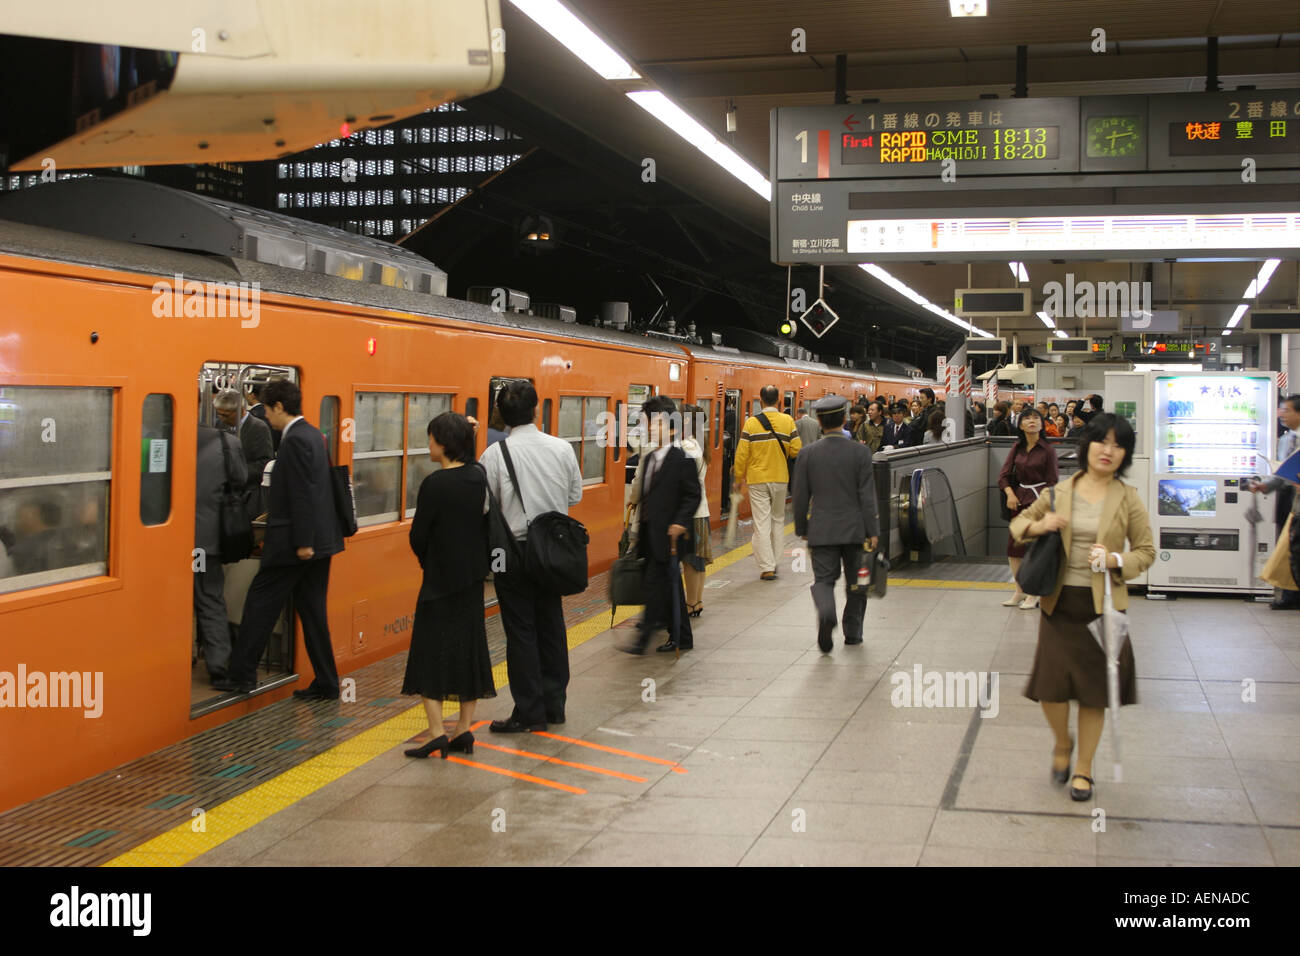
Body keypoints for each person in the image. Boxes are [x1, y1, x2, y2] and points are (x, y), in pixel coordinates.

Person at [1010, 413, 1154, 802]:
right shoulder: (1059, 492)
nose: (1108, 450)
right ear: (1086, 445)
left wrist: (1115, 560)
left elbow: (1146, 552)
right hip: (1059, 604)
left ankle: (1085, 770)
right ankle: (1062, 742)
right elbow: (1017, 525)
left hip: (1104, 607)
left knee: (1094, 693)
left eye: (1118, 445)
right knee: (1052, 690)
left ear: (1125, 454)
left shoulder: (1129, 499)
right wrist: (1039, 526)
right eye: (1101, 441)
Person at [215, 381, 344, 698]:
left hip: (294, 545)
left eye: (268, 409)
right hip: (320, 542)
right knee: (313, 612)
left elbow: (301, 493)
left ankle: (242, 675)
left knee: (259, 602)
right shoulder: (313, 434)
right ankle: (327, 682)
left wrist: (302, 542)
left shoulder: (296, 440)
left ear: (278, 407)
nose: (266, 416)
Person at [479, 380, 583, 731]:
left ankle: (529, 712)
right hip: (553, 548)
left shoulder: (494, 455)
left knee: (521, 631)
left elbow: (483, 505)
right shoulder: (561, 448)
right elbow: (575, 495)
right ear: (536, 409)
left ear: (503, 415)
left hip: (513, 553)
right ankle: (555, 706)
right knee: (552, 624)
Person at [402, 412, 496, 759]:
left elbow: (418, 536)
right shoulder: (479, 477)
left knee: (431, 653)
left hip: (439, 582)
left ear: (442, 443)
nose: (428, 445)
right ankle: (463, 730)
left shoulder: (435, 484)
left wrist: (431, 562)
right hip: (472, 581)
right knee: (469, 650)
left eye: (431, 439)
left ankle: (438, 731)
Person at [792, 396, 880, 652]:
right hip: (855, 531)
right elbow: (867, 495)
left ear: (819, 422)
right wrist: (873, 530)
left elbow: (799, 496)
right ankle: (852, 632)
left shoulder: (807, 454)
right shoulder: (861, 452)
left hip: (821, 529)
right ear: (844, 420)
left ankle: (826, 613)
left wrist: (802, 528)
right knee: (857, 583)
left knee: (824, 580)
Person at [619, 396, 702, 654]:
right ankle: (682, 637)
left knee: (657, 585)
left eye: (655, 423)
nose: (649, 428)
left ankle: (644, 637)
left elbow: (692, 495)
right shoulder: (652, 457)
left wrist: (679, 522)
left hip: (669, 536)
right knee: (669, 587)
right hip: (650, 534)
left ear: (672, 428)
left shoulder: (683, 459)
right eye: (648, 423)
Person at [194, 424, 248, 685]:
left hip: (162, 541)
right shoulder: (227, 442)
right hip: (205, 541)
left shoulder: (155, 438)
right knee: (208, 596)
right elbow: (240, 479)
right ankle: (218, 665)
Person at [732, 385, 802, 581]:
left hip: (757, 479)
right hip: (780, 478)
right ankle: (774, 561)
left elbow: (741, 455)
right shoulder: (788, 420)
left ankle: (767, 567)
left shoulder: (751, 423)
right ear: (779, 401)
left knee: (761, 523)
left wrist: (738, 479)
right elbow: (797, 450)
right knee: (778, 520)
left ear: (760, 401)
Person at [999, 407, 1058, 611]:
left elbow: (1053, 481)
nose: (1032, 421)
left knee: (1035, 550)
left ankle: (1034, 593)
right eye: (1027, 418)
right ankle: (1020, 589)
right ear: (1021, 424)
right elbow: (1003, 475)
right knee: (1014, 549)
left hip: (1040, 502)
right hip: (1019, 501)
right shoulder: (1017, 447)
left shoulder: (1047, 450)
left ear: (1042, 424)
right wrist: (1010, 494)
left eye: (1036, 418)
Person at [1248, 394, 1300, 609]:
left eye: (1286, 410)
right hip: (1292, 502)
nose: (1281, 414)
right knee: (1291, 550)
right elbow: (1282, 472)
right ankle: (1291, 595)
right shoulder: (1287, 439)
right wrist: (1266, 486)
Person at [678, 402, 712, 619]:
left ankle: (691, 602)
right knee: (697, 561)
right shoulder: (697, 443)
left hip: (692, 512)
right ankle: (697, 601)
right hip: (701, 510)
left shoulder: (687, 447)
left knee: (691, 561)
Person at [215, 388, 273, 512]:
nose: (221, 419)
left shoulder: (259, 428)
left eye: (225, 415)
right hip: (225, 495)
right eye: (219, 414)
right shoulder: (220, 426)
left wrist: (236, 471)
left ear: (240, 411)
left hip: (249, 496)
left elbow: (264, 462)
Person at [244, 384, 281, 453]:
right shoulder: (273, 414)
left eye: (246, 394)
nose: (245, 397)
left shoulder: (250, 416)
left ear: (252, 395)